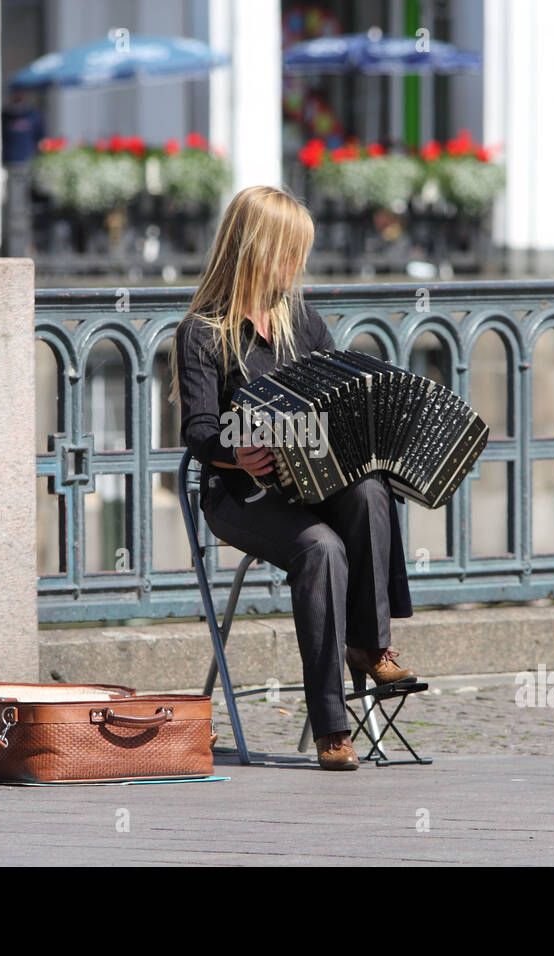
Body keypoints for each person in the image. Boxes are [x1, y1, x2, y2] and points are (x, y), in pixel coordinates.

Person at [168, 184, 417, 771]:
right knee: (322, 548)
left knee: (371, 489)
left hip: (310, 481)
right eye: (289, 252)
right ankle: (334, 726)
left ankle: (369, 643)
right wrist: (237, 452)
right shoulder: (203, 331)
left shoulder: (302, 324)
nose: (297, 266)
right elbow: (199, 431)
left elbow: (337, 407)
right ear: (256, 250)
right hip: (239, 494)